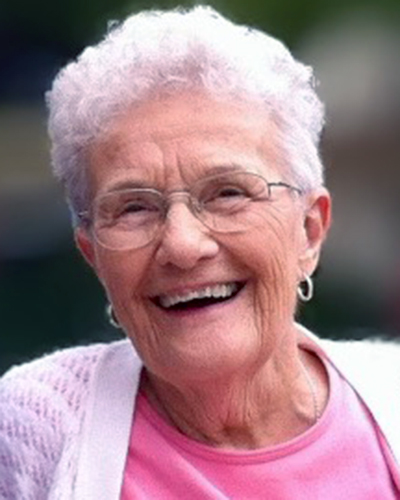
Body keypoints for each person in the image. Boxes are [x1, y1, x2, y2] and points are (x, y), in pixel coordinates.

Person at [0, 6, 399, 499]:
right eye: (134, 208)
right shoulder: (37, 429)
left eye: (228, 193)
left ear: (309, 230)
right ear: (94, 255)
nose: (183, 245)